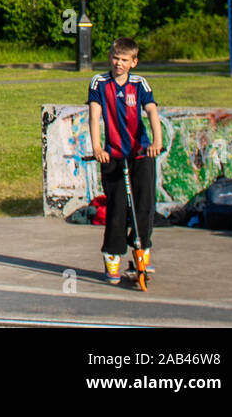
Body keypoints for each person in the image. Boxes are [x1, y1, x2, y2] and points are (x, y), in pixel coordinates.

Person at [88, 37, 163, 283]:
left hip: (140, 153)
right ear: (110, 58)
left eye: (124, 60)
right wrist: (98, 147)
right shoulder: (99, 82)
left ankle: (142, 253)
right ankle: (112, 258)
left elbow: (151, 111)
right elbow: (95, 115)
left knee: (145, 206)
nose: (119, 64)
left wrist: (156, 141)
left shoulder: (140, 83)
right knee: (117, 209)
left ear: (134, 62)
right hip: (113, 154)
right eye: (115, 58)